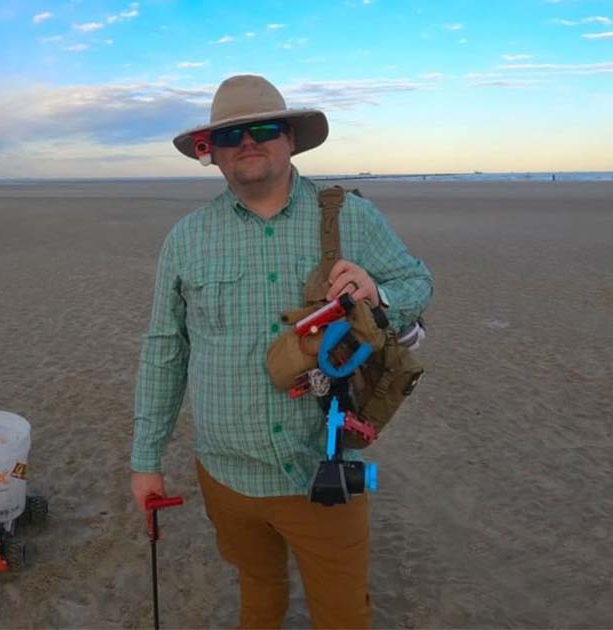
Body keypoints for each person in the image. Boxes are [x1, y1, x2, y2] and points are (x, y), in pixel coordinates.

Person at [130, 74, 433, 629]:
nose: (248, 141)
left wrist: (379, 293)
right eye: (231, 135)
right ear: (211, 153)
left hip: (322, 473)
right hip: (224, 479)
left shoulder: (350, 217)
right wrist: (146, 461)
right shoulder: (186, 239)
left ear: (290, 138)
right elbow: (164, 351)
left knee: (343, 615)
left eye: (264, 128)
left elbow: (417, 284)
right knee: (259, 595)